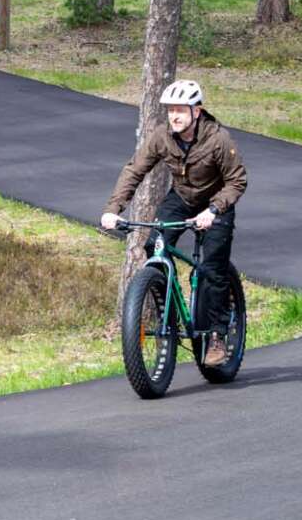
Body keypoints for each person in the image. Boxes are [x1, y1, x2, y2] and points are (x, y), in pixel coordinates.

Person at [100, 79, 248, 366]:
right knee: (154, 247)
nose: (174, 116)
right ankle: (167, 308)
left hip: (216, 202)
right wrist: (113, 209)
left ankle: (217, 336)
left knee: (212, 267)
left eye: (181, 110)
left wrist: (214, 210)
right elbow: (134, 170)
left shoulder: (218, 139)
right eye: (170, 110)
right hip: (181, 198)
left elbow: (237, 181)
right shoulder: (162, 136)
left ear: (197, 111)